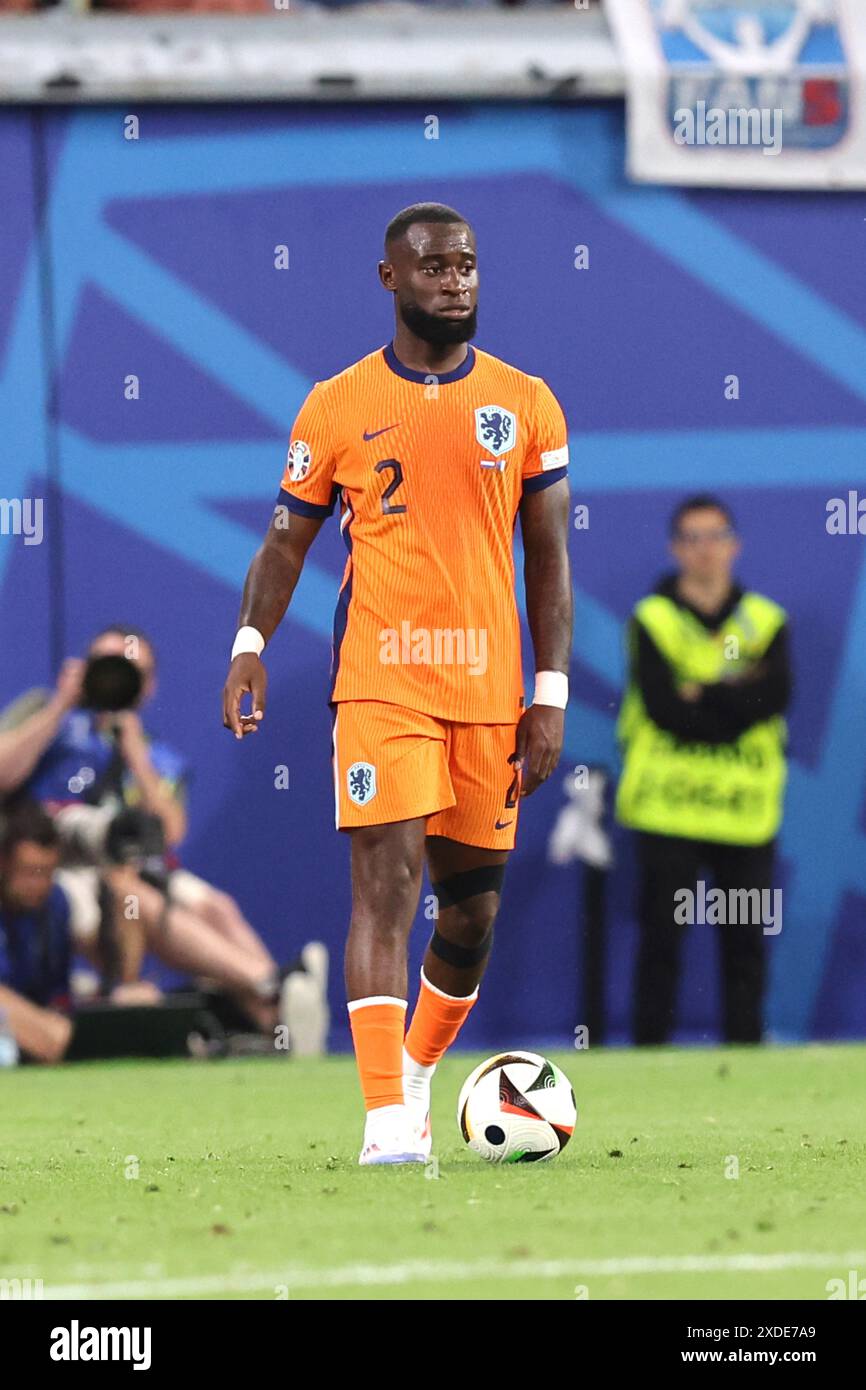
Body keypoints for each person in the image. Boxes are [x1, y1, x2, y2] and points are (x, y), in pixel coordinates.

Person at [223, 202, 572, 1164]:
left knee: (472, 914)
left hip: (488, 691)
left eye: (466, 264)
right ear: (391, 280)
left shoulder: (526, 403)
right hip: (382, 681)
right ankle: (387, 1123)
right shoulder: (334, 405)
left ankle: (419, 1075)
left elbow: (548, 559)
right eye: (433, 267)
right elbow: (287, 537)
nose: (455, 279)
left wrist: (549, 694)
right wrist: (252, 637)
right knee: (385, 884)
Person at [0, 626, 328, 1052]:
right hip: (61, 870)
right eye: (105, 666)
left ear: (148, 685)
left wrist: (135, 753)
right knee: (136, 898)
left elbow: (169, 834)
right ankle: (274, 986)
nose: (113, 679)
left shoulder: (156, 755)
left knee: (216, 907)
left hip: (136, 865)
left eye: (128, 670)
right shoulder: (47, 718)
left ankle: (275, 1022)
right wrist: (61, 704)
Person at [615, 495, 792, 1045]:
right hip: (669, 806)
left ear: (734, 544)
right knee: (661, 941)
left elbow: (775, 696)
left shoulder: (765, 620)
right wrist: (735, 695)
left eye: (715, 536)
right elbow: (664, 709)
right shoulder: (653, 619)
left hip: (743, 808)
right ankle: (649, 1058)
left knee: (744, 940)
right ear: (675, 548)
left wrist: (704, 694)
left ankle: (745, 1056)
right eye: (692, 538)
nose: (705, 549)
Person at [0, 802, 76, 1063]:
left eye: (47, 873)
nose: (38, 885)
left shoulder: (57, 903)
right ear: (3, 863)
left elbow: (56, 992)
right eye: (29, 872)